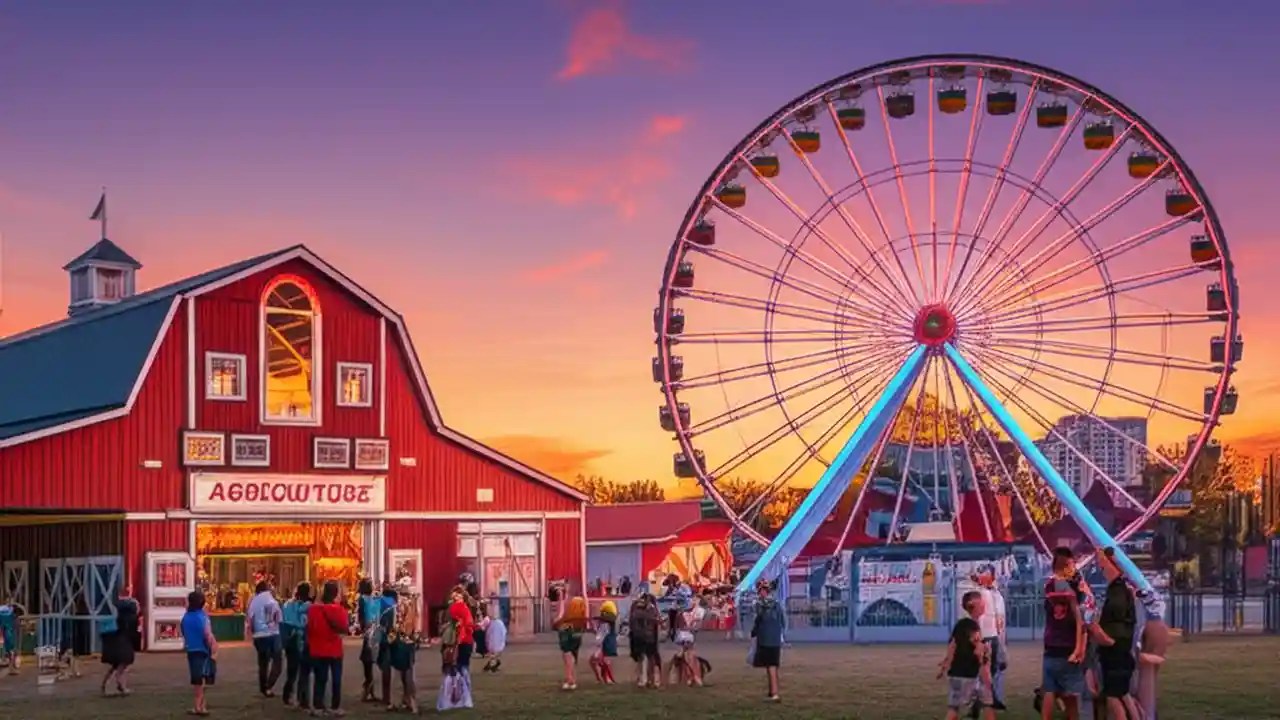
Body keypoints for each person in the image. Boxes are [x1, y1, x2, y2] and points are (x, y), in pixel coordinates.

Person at [1091, 548, 1141, 720]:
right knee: (1124, 695)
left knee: (1113, 697)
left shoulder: (1117, 595)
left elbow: (1113, 636)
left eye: (1103, 564)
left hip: (1115, 656)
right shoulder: (1122, 590)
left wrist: (1097, 631)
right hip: (1122, 655)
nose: (1101, 568)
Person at [1042, 547, 1087, 720]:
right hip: (1068, 646)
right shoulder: (1072, 588)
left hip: (1050, 645)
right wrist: (1079, 648)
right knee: (1071, 696)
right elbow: (1079, 617)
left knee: (1049, 691)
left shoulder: (1049, 586)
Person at [938, 591, 995, 720]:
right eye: (981, 602)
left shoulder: (960, 624)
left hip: (955, 674)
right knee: (987, 703)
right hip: (969, 676)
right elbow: (978, 653)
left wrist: (945, 666)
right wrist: (986, 675)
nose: (984, 605)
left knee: (954, 709)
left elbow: (952, 646)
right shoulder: (974, 628)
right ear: (973, 605)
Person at [307, 580, 349, 717]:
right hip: (334, 648)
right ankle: (335, 706)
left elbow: (310, 628)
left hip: (318, 648)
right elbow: (344, 628)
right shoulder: (339, 610)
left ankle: (318, 705)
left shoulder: (313, 609)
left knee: (320, 678)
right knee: (336, 679)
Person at [971, 568, 1007, 711]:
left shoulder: (994, 593)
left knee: (996, 667)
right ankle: (984, 699)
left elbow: (1000, 618)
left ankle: (991, 698)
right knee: (988, 668)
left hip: (995, 635)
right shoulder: (983, 593)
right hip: (989, 635)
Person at [99, 584, 140, 697]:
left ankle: (110, 684)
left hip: (111, 638)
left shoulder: (111, 606)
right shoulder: (130, 609)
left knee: (115, 664)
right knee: (123, 662)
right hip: (122, 639)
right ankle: (118, 684)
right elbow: (132, 627)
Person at [181, 590, 218, 717]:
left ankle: (200, 705)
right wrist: (213, 648)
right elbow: (207, 634)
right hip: (202, 650)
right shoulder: (202, 617)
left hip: (191, 650)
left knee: (196, 679)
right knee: (202, 679)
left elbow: (184, 633)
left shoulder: (186, 617)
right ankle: (199, 706)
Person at [245, 580, 283, 698]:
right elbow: (279, 618)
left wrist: (251, 633)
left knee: (263, 663)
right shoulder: (273, 600)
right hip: (273, 634)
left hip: (259, 635)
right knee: (277, 662)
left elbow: (249, 619)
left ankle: (263, 687)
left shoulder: (253, 602)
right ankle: (269, 685)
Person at [750, 580, 785, 702]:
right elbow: (782, 620)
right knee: (772, 665)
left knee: (771, 666)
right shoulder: (777, 603)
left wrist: (754, 632)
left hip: (765, 638)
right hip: (775, 638)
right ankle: (772, 691)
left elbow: (758, 620)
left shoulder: (760, 604)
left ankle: (774, 693)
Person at [281, 582, 313, 711]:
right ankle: (302, 699)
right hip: (304, 639)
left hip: (291, 638)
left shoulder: (288, 604)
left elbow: (284, 621)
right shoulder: (310, 607)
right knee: (304, 671)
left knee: (292, 670)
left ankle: (287, 694)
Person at [553, 595, 589, 690]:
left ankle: (569, 679)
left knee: (567, 656)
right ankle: (571, 679)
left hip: (566, 634)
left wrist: (561, 598)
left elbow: (559, 618)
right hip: (576, 636)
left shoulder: (569, 616)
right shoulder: (582, 616)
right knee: (572, 657)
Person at [627, 593, 662, 689]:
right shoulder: (648, 610)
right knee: (647, 658)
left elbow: (633, 621)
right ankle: (648, 680)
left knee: (647, 658)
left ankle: (648, 679)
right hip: (645, 636)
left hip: (644, 636)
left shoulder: (641, 609)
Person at [356, 578, 380, 703]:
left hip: (370, 630)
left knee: (368, 661)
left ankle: (368, 689)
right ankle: (369, 690)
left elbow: (361, 615)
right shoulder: (372, 599)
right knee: (368, 660)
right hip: (374, 630)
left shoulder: (364, 599)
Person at [589, 600, 619, 684]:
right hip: (603, 644)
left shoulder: (609, 619)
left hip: (605, 644)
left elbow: (602, 633)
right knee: (597, 661)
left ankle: (606, 678)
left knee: (600, 660)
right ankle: (603, 678)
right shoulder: (605, 621)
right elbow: (599, 632)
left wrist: (596, 618)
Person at [481, 606, 507, 673]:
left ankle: (492, 665)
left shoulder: (492, 622)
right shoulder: (497, 623)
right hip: (495, 642)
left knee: (493, 654)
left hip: (493, 641)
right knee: (494, 654)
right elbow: (503, 632)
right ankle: (493, 665)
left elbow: (486, 631)